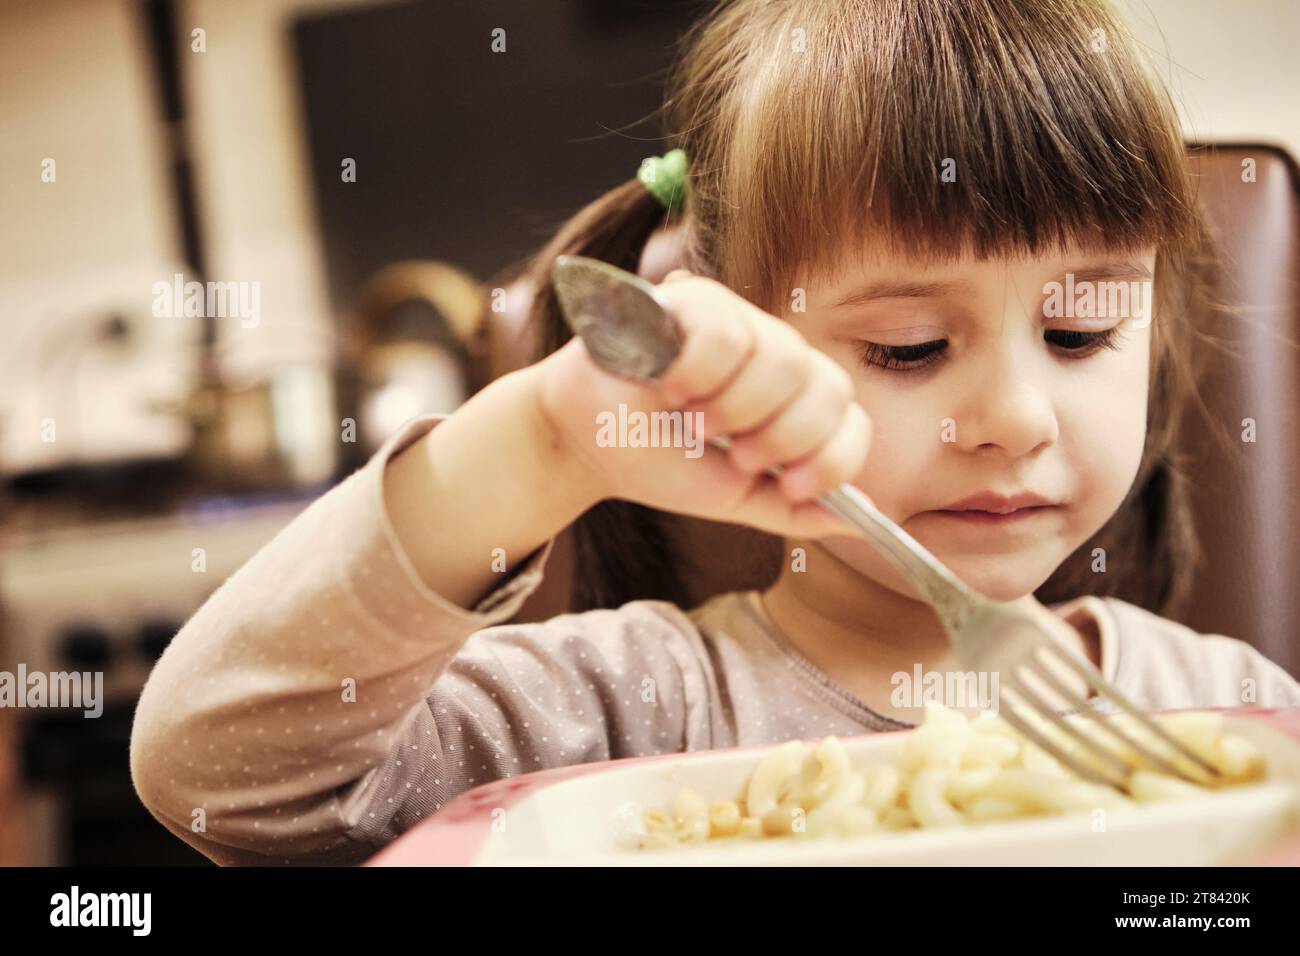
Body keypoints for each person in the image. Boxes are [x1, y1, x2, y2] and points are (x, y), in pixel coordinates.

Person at [131, 0, 1300, 865]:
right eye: (904, 346)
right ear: (742, 343)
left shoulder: (1227, 710)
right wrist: (544, 444)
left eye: (1080, 329)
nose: (1010, 420)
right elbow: (219, 773)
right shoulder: (623, 712)